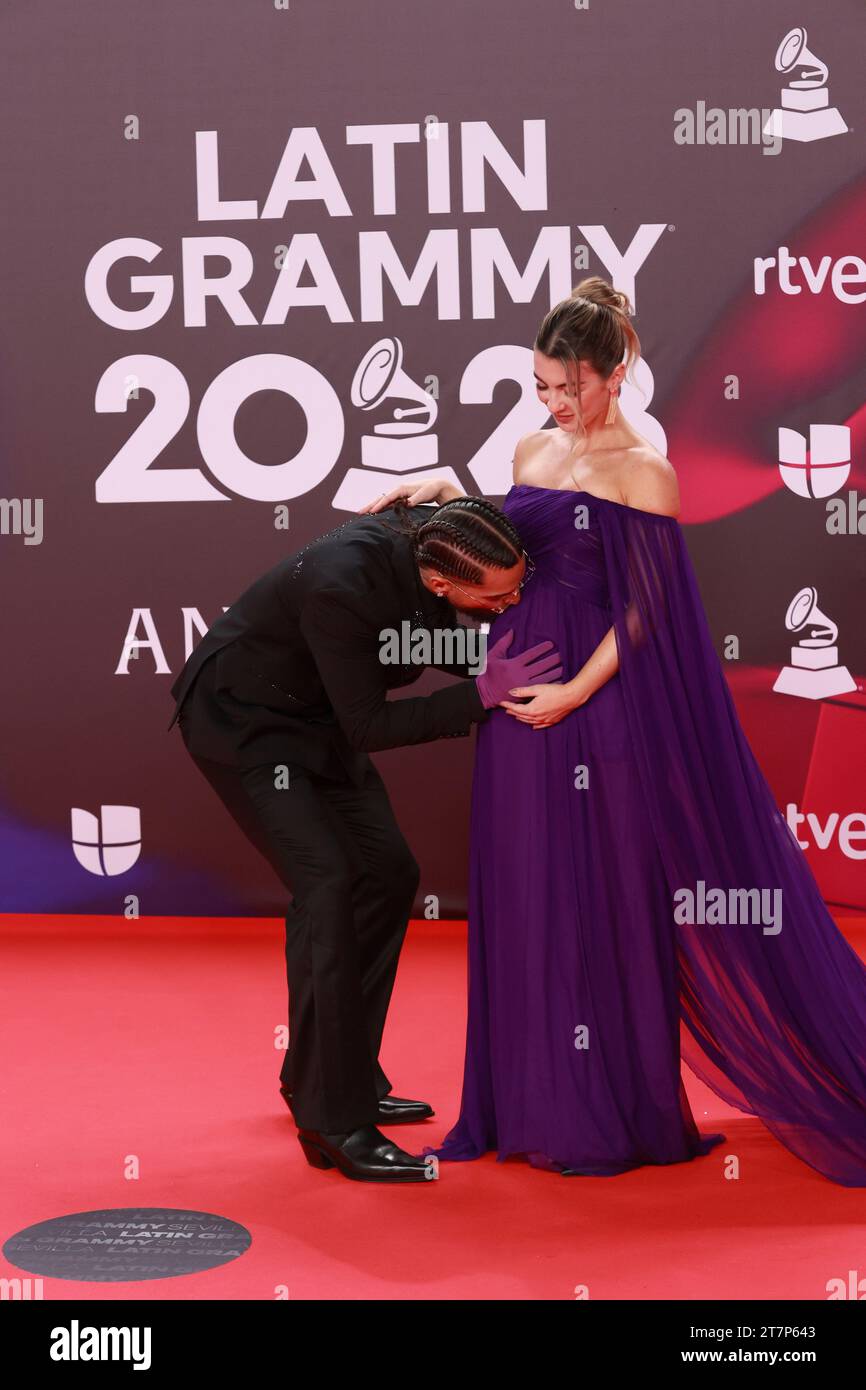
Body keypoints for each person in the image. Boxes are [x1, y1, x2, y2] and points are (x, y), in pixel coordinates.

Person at [363, 275, 866, 1186]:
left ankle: (612, 1111)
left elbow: (645, 615)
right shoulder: (528, 450)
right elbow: (512, 549)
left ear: (616, 370)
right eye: (543, 387)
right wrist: (448, 490)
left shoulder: (647, 472)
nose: (556, 404)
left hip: (602, 710)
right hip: (516, 698)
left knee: (609, 895)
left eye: (570, 386)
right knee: (527, 891)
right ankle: (526, 1101)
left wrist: (574, 697)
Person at [167, 498, 562, 1183]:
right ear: (443, 583)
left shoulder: (443, 542)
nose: (511, 602)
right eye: (497, 597)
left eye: (518, 584)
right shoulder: (340, 585)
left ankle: (326, 1071)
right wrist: (481, 695)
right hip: (248, 726)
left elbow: (427, 627)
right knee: (328, 883)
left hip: (317, 714)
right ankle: (334, 1119)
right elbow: (370, 726)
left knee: (387, 874)